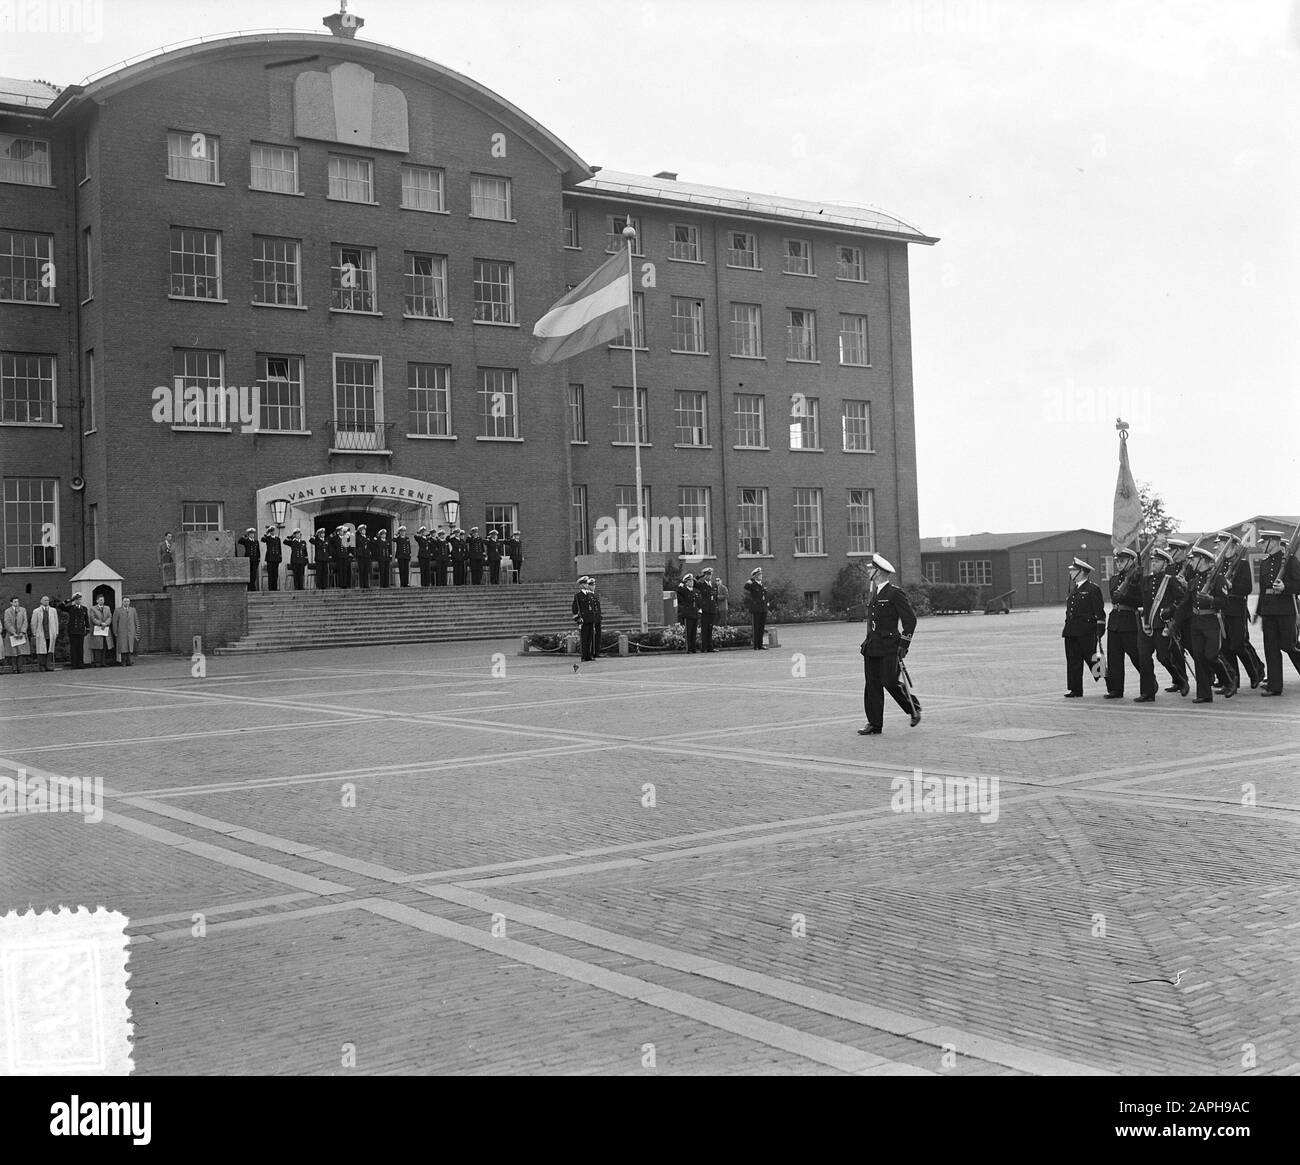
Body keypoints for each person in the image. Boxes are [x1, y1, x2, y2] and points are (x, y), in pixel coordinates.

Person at [857, 554, 920, 734]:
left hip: (890, 646)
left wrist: (904, 645)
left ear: (879, 572)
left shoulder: (894, 593)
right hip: (872, 645)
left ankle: (913, 707)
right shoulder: (874, 592)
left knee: (890, 681)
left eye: (871, 568)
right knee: (872, 685)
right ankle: (875, 724)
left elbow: (910, 620)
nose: (868, 570)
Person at [1178, 547, 1235, 703]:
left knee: (1211, 655)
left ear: (1202, 561)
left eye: (1193, 560)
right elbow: (1184, 605)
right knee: (1199, 658)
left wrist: (1210, 599)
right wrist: (1174, 624)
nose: (1190, 563)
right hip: (1196, 623)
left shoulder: (1219, 579)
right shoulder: (1194, 581)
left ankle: (1229, 680)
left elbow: (1224, 603)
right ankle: (1203, 694)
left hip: (1211, 622)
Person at [1104, 547, 1156, 702]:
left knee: (1137, 656)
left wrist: (1135, 583)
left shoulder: (1140, 579)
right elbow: (1115, 597)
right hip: (1115, 620)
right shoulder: (1114, 579)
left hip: (1130, 620)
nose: (1119, 564)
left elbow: (1140, 600)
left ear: (1132, 561)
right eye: (1118, 562)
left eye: (1122, 561)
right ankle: (1115, 689)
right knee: (1114, 657)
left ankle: (1149, 684)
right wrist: (1127, 586)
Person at [1213, 533, 1263, 691]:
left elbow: (1247, 588)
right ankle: (1232, 681)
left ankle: (1255, 673)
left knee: (1238, 645)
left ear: (1232, 547)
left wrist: (1230, 586)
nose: (1218, 547)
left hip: (1237, 610)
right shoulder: (1219, 565)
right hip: (1222, 611)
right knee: (1226, 647)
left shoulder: (1241, 564)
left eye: (1221, 544)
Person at [1256, 529, 1300, 696]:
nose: (1261, 546)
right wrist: (1260, 612)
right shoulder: (1265, 563)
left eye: (1263, 543)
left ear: (1273, 542)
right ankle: (1275, 686)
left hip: (1285, 610)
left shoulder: (1289, 560)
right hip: (1269, 611)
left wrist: (1285, 587)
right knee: (1271, 648)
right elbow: (1262, 590)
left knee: (1289, 646)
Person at [1143, 549, 1189, 698]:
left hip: (1163, 625)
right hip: (1148, 625)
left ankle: (1181, 680)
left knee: (1163, 657)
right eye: (1153, 561)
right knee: (1144, 657)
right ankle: (1148, 692)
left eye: (1157, 561)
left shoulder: (1170, 580)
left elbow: (1182, 600)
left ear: (1164, 564)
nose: (1153, 564)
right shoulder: (1148, 580)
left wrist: (1171, 609)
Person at [1062, 557, 1106, 697]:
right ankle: (1075, 689)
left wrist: (1100, 628)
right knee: (1073, 660)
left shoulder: (1092, 589)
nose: (1070, 572)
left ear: (1081, 572)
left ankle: (1112, 684)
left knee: (1093, 658)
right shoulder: (1074, 589)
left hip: (1086, 631)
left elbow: (1099, 611)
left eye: (1073, 570)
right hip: (1071, 630)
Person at [572, 576, 598, 661]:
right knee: (584, 639)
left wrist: (594, 618)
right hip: (583, 620)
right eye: (586, 583)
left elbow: (593, 608)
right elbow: (575, 608)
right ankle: (584, 656)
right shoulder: (578, 596)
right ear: (581, 585)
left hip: (590, 619)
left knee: (590, 638)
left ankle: (589, 655)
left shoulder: (590, 594)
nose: (587, 585)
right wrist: (578, 619)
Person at [30, 594, 58, 671]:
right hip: (41, 632)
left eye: (48, 600)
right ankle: (42, 666)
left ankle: (48, 665)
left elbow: (56, 622)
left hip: (51, 632)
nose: (47, 601)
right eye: (45, 600)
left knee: (50, 649)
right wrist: (34, 632)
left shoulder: (53, 610)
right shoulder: (36, 611)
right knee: (41, 650)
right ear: (41, 601)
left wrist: (56, 631)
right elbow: (33, 623)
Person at [3, 597, 29, 675]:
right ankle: (14, 668)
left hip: (21, 633)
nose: (16, 603)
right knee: (13, 652)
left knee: (21, 652)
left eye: (17, 601)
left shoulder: (23, 610)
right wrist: (13, 632)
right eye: (14, 602)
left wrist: (22, 632)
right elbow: (7, 622)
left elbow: (25, 621)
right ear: (11, 603)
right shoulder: (7, 611)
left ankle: (20, 668)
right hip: (12, 634)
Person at [744, 567, 768, 649]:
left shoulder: (761, 584)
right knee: (756, 627)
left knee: (761, 627)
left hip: (763, 608)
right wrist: (751, 579)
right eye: (759, 574)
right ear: (755, 576)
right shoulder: (753, 584)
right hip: (756, 608)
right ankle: (756, 645)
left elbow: (765, 596)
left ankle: (760, 644)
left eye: (761, 574)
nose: (761, 576)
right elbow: (746, 586)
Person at [63, 593, 89, 669]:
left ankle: (80, 663)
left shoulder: (84, 608)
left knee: (80, 648)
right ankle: (74, 664)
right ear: (74, 600)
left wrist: (87, 628)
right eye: (77, 599)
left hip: (80, 631)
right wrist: (69, 600)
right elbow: (61, 607)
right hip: (73, 631)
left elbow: (86, 619)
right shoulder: (71, 608)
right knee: (73, 648)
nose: (79, 601)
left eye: (80, 599)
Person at [112, 596, 140, 666]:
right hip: (122, 632)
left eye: (128, 601)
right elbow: (115, 622)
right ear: (122, 602)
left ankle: (129, 661)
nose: (126, 603)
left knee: (130, 647)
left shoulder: (133, 610)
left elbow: (136, 620)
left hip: (131, 632)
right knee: (123, 647)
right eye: (125, 601)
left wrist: (137, 631)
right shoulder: (117, 610)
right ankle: (123, 661)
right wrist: (115, 632)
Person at [676, 572, 700, 653]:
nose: (691, 582)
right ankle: (688, 648)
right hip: (688, 614)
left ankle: (693, 648)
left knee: (694, 632)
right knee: (688, 632)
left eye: (692, 581)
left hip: (694, 613)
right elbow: (678, 590)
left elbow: (697, 602)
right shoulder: (684, 591)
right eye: (689, 581)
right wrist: (682, 583)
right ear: (686, 583)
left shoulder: (695, 591)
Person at [88, 596, 114, 666]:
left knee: (104, 646)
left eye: (103, 600)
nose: (102, 601)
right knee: (97, 647)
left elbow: (110, 617)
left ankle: (103, 662)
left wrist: (106, 623)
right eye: (100, 600)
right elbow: (92, 618)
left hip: (105, 629)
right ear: (97, 601)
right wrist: (100, 623)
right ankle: (97, 662)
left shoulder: (107, 608)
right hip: (97, 630)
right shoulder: (93, 608)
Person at [695, 568, 717, 653]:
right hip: (705, 610)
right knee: (704, 629)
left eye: (710, 574)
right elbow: (694, 583)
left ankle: (710, 647)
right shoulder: (701, 584)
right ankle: (704, 647)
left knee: (710, 629)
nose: (709, 576)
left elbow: (715, 597)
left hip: (712, 609)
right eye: (707, 575)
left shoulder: (714, 585)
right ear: (704, 576)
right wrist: (699, 576)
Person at [237, 527, 260, 592]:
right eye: (251, 534)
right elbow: (239, 541)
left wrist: (258, 558)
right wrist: (244, 536)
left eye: (253, 534)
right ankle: (249, 587)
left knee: (254, 574)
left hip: (255, 560)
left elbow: (258, 551)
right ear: (249, 534)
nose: (252, 535)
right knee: (248, 574)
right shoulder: (246, 541)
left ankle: (253, 587)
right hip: (248, 560)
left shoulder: (256, 541)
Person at [261, 526, 282, 591]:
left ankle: (275, 588)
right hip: (270, 558)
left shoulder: (277, 539)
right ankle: (270, 589)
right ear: (270, 532)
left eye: (273, 530)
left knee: (275, 574)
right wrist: (266, 533)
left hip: (276, 558)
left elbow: (279, 548)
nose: (273, 532)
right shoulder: (268, 538)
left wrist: (280, 557)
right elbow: (262, 540)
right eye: (271, 531)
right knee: (270, 574)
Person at [355, 524, 371, 589]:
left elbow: (370, 545)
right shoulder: (358, 537)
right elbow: (357, 544)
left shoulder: (367, 537)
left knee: (366, 570)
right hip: (361, 556)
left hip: (367, 555)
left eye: (364, 530)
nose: (364, 531)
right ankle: (361, 584)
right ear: (360, 531)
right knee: (361, 570)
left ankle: (366, 584)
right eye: (362, 530)